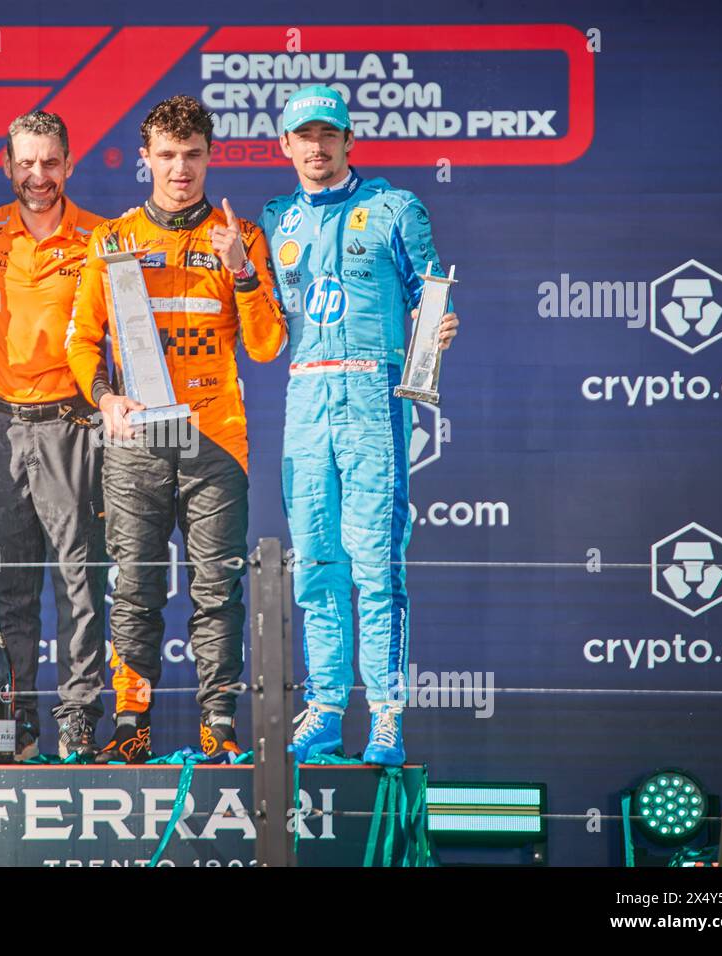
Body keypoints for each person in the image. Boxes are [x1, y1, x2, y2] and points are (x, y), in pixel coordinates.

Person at [67, 94, 287, 763]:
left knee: (216, 588)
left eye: (192, 154)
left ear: (210, 155)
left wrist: (242, 273)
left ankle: (218, 728)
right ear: (147, 159)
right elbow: (82, 343)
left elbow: (269, 345)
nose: (181, 168)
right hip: (136, 440)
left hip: (216, 438)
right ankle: (131, 725)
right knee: (131, 585)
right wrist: (105, 399)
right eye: (167, 155)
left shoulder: (241, 236)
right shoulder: (112, 240)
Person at [258, 86, 459, 765]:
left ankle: (386, 717)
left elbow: (431, 296)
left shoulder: (396, 207)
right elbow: (261, 323)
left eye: (328, 135)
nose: (316, 147)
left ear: (349, 141)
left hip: (373, 392)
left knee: (376, 565)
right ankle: (324, 708)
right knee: (315, 563)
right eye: (303, 136)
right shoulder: (273, 220)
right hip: (305, 394)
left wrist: (440, 328)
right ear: (284, 145)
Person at [0, 112, 107, 760]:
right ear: (7, 164)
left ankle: (78, 720)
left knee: (79, 582)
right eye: (26, 162)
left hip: (69, 423)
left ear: (70, 164)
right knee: (11, 582)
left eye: (51, 162)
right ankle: (18, 728)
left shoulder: (99, 238)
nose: (38, 175)